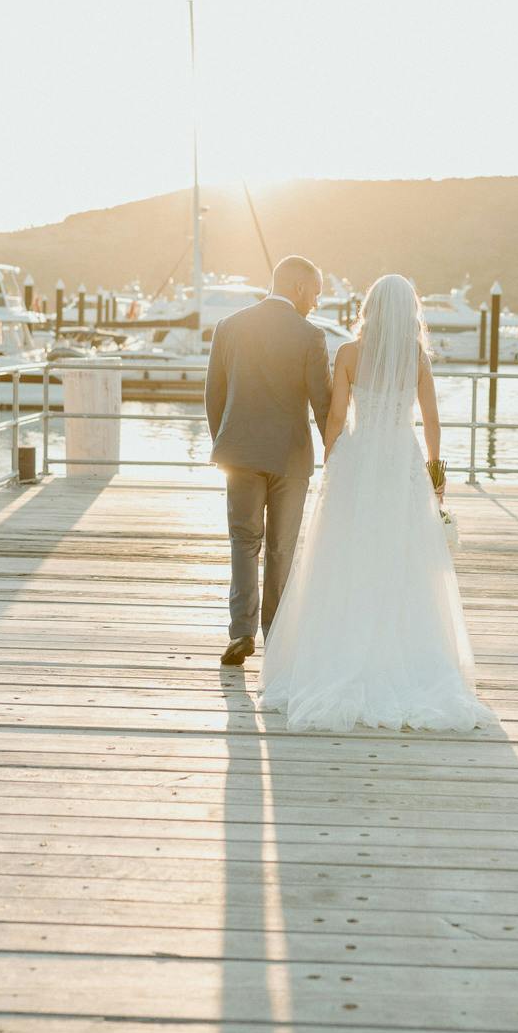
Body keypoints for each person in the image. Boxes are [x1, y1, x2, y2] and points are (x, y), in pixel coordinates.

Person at [260, 274, 494, 732]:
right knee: (404, 556)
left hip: (359, 456)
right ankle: (407, 658)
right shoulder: (416, 358)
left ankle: (339, 650)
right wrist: (435, 472)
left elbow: (336, 415)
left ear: (370, 307)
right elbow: (432, 421)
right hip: (400, 460)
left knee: (345, 554)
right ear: (409, 311)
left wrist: (332, 460)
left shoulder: (349, 353)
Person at [204, 255, 331, 667]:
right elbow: (323, 404)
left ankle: (241, 632)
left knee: (243, 542)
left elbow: (214, 395)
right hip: (290, 459)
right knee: (281, 547)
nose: (316, 302)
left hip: (239, 454)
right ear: (298, 287)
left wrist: (227, 442)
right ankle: (276, 635)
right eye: (315, 293)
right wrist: (336, 453)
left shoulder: (229, 326)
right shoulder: (310, 335)